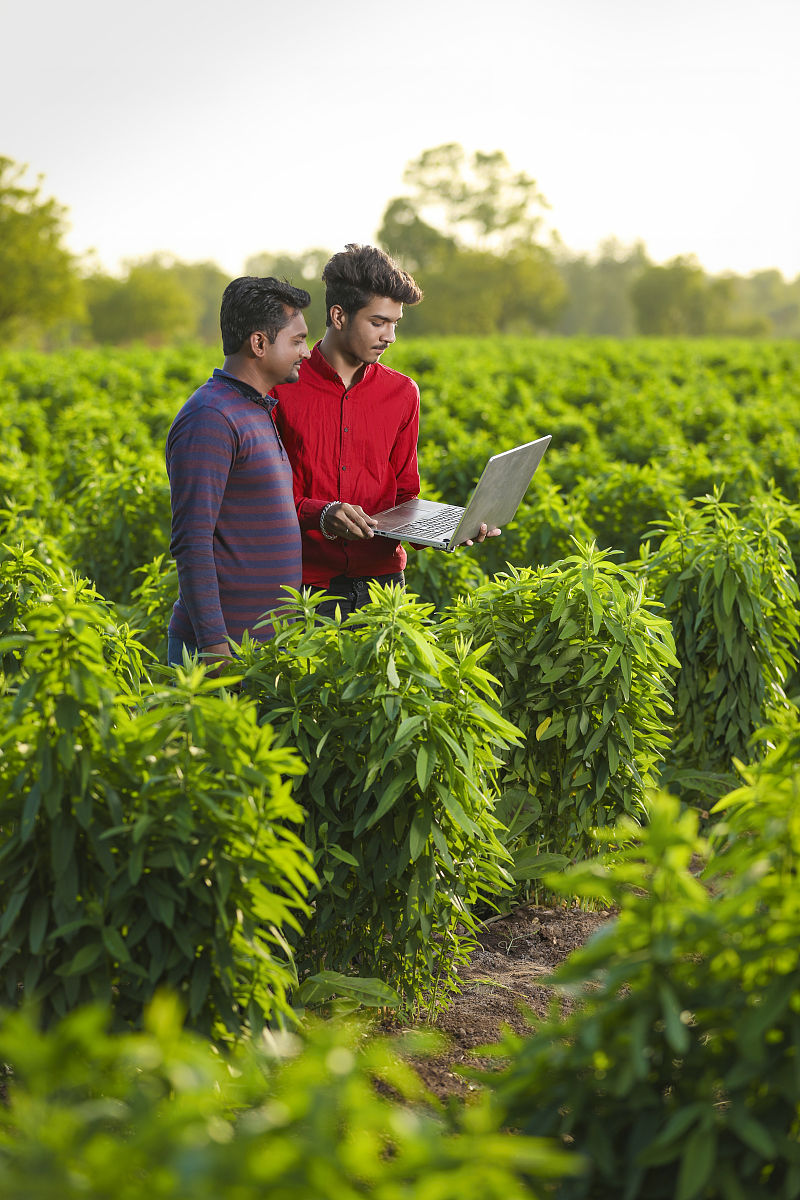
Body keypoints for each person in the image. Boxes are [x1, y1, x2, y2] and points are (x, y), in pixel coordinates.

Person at [272, 243, 495, 620]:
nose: (390, 336)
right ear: (338, 315)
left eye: (395, 323)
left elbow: (405, 494)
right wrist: (322, 514)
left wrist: (447, 530)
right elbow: (263, 498)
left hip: (385, 585)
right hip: (305, 587)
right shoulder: (282, 388)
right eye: (378, 322)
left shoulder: (402, 393)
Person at [166, 276, 311, 667]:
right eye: (297, 341)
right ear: (259, 344)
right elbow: (192, 542)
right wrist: (215, 647)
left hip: (261, 650)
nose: (307, 353)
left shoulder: (254, 408)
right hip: (224, 652)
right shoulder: (211, 417)